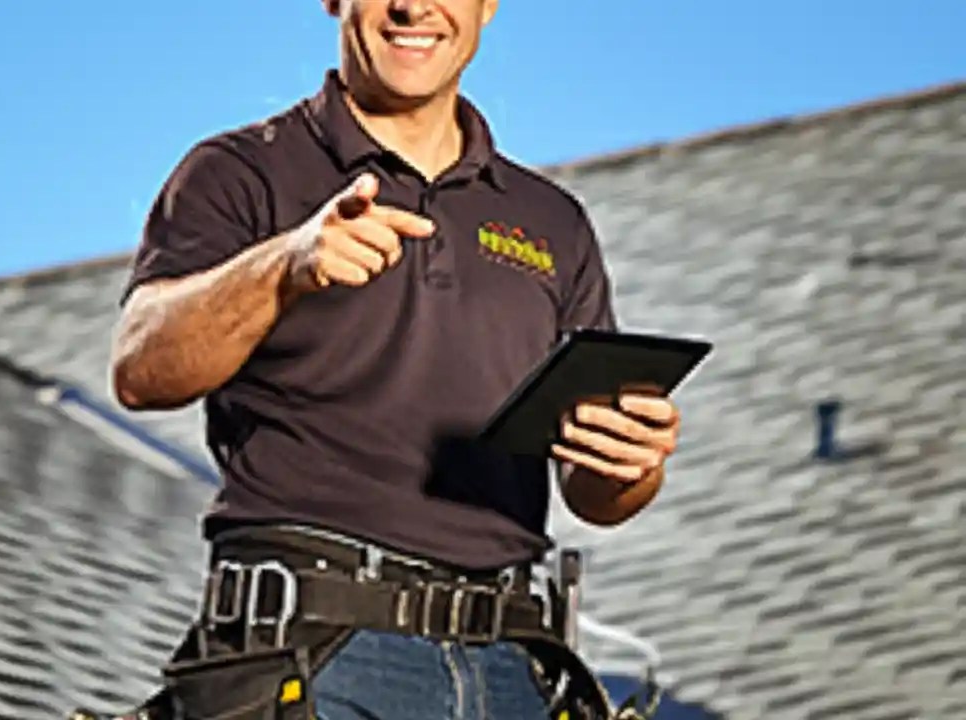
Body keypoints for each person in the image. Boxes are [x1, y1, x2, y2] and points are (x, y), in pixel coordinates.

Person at [106, 1, 682, 718]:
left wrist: (630, 465)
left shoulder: (552, 223)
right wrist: (286, 265)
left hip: (513, 666)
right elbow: (140, 369)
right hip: (317, 648)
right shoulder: (241, 173)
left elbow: (595, 495)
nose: (413, 6)